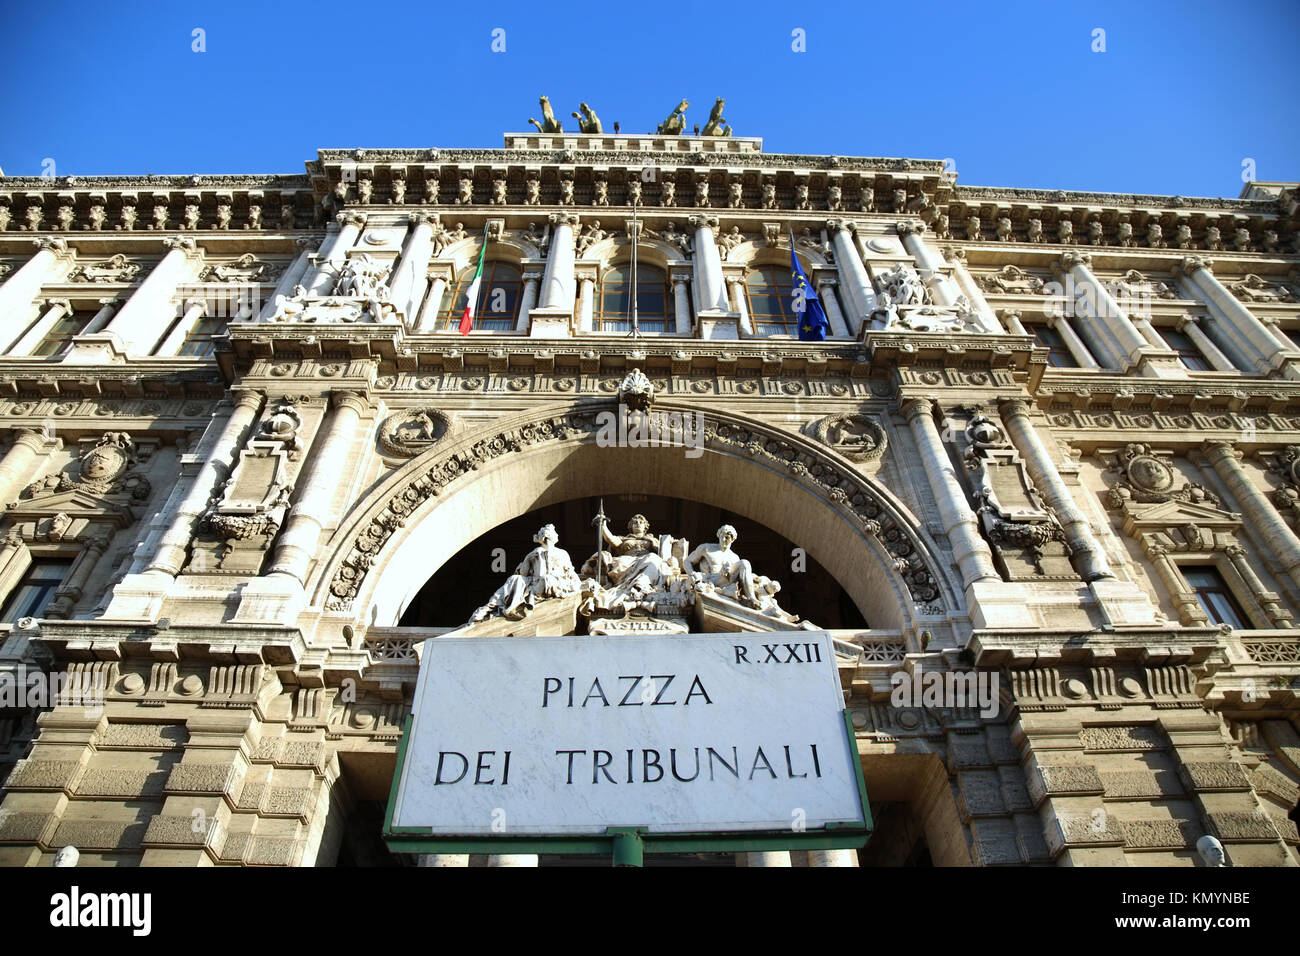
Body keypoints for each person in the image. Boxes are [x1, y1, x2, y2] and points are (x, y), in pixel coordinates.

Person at [470, 524, 580, 622]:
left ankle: (524, 603)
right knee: (514, 579)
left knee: (546, 579)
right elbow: (523, 574)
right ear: (548, 536)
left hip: (554, 583)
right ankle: (488, 608)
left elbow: (571, 572)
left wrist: (578, 583)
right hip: (535, 583)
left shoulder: (562, 553)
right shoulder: (535, 553)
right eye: (555, 533)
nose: (557, 535)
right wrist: (528, 559)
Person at [687, 524, 760, 608]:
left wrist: (727, 574)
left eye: (727, 537)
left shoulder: (734, 557)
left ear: (732, 539)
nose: (723, 539)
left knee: (744, 563)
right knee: (743, 563)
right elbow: (687, 561)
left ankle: (751, 598)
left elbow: (734, 579)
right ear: (719, 536)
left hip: (725, 582)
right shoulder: (706, 548)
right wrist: (693, 574)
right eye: (722, 536)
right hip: (710, 580)